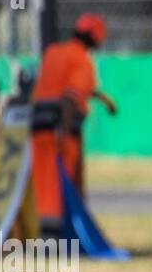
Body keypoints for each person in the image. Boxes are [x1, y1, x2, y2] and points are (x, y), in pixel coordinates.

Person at [31, 13, 116, 234]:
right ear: (95, 38)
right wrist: (64, 131)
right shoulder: (83, 62)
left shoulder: (53, 53)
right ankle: (66, 235)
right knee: (66, 185)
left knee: (43, 185)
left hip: (38, 127)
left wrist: (104, 100)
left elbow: (56, 85)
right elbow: (70, 97)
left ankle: (44, 234)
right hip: (62, 130)